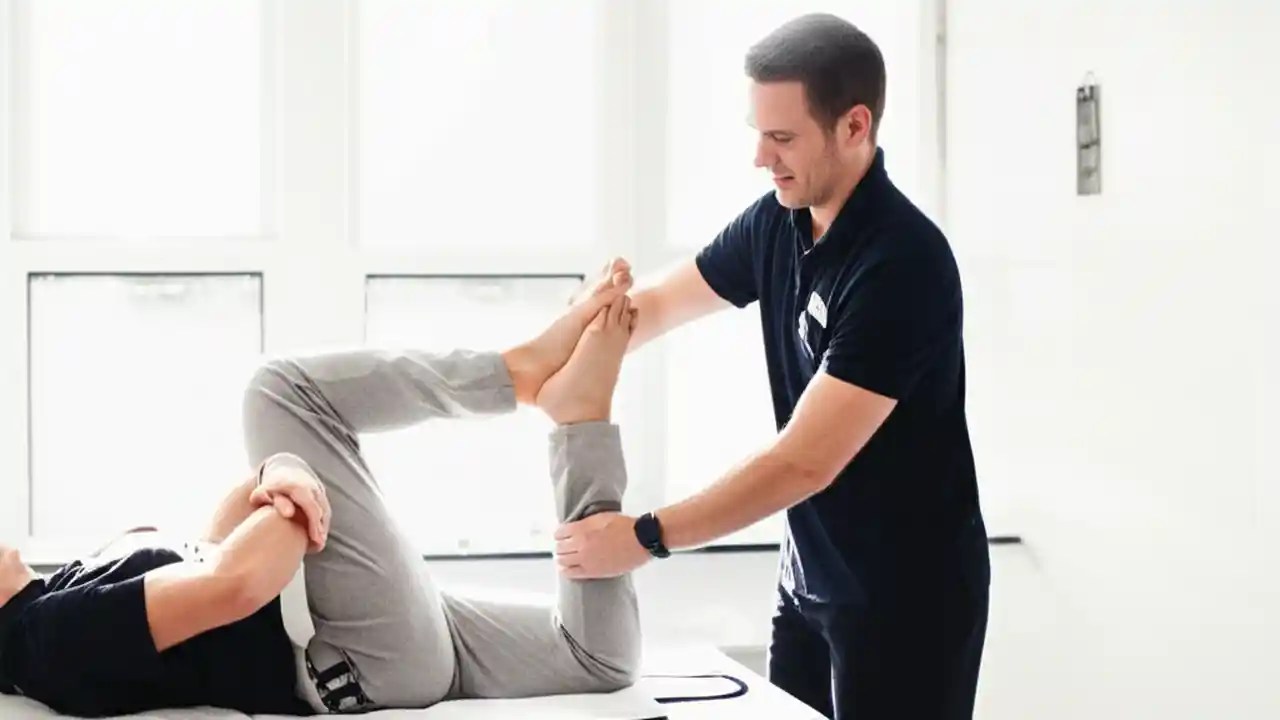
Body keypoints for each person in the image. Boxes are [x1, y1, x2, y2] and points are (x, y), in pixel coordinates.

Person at [552, 13, 990, 720]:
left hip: (907, 604)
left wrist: (643, 538)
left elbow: (804, 463)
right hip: (809, 583)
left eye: (782, 138)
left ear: (854, 127)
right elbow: (659, 306)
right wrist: (581, 328)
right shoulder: (777, 221)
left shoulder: (903, 264)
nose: (761, 157)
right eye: (757, 133)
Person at [0, 273, 645, 717]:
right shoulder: (47, 636)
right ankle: (517, 374)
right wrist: (292, 480)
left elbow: (211, 547)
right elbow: (237, 583)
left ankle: (580, 417)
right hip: (350, 660)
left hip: (383, 652)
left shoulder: (56, 597)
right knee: (278, 391)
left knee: (594, 656)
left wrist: (266, 483)